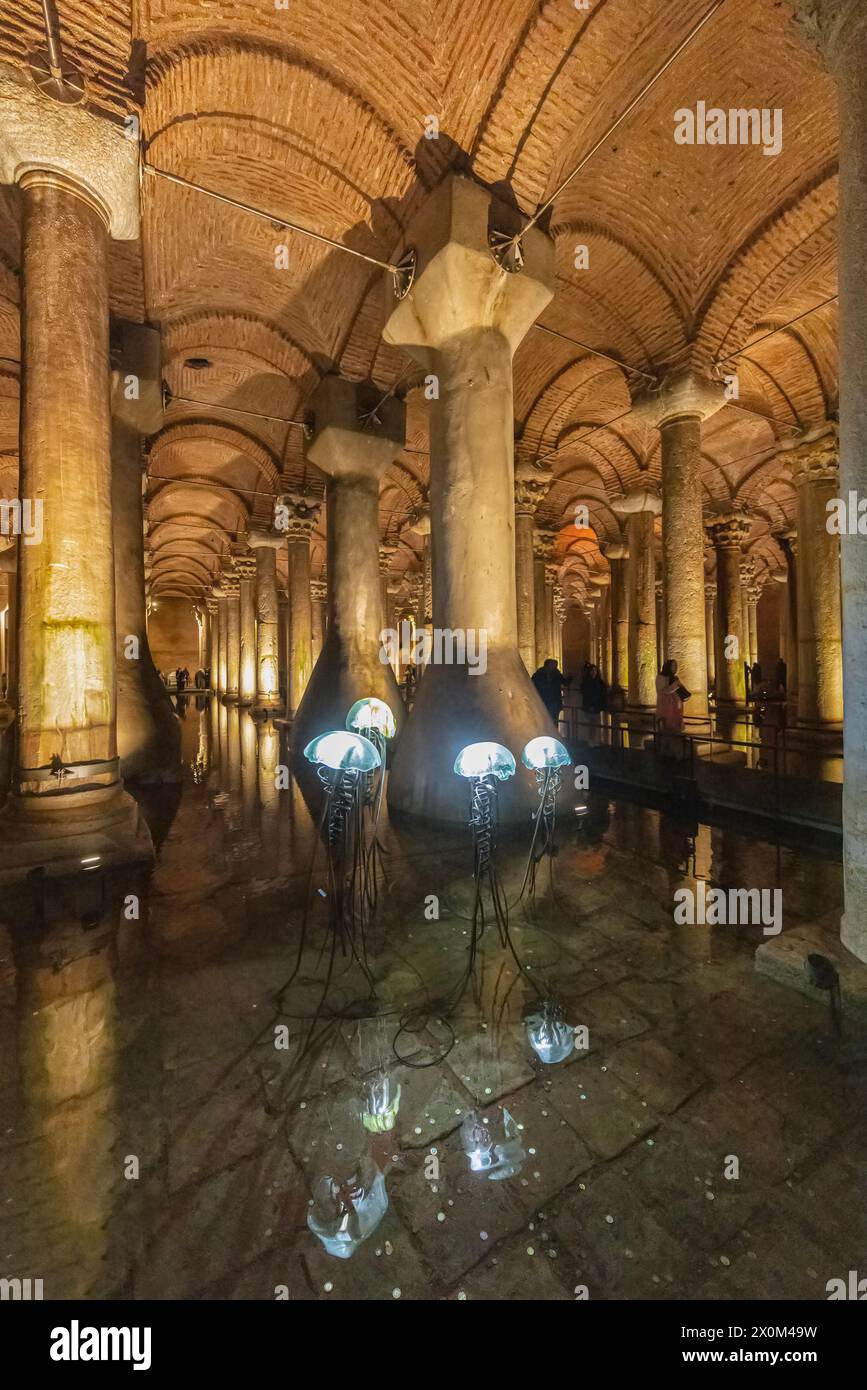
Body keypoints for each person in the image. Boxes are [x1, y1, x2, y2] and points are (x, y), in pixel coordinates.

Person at [531, 657, 569, 727]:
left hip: (553, 702)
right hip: (544, 702)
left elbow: (565, 682)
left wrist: (570, 678)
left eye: (555, 665)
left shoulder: (557, 674)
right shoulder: (538, 675)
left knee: (554, 721)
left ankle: (553, 736)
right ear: (547, 665)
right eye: (553, 665)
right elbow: (532, 685)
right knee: (544, 721)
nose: (554, 667)